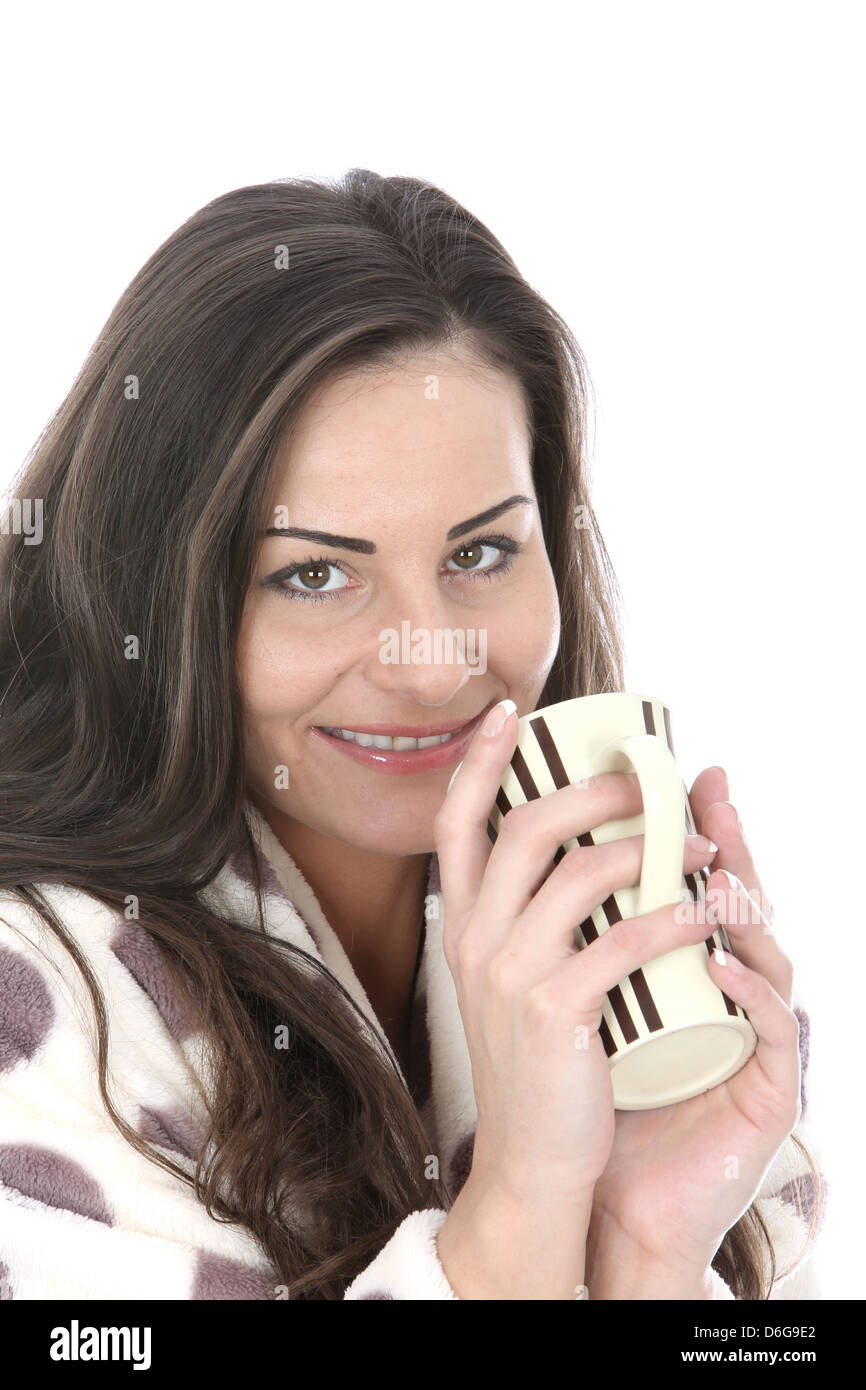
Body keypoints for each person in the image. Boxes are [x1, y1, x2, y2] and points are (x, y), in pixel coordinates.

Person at [0, 170, 825, 1300]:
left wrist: (644, 1250)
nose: (427, 657)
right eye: (316, 573)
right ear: (157, 596)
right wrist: (526, 1203)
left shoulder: (632, 976)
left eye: (478, 553)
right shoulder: (38, 1003)